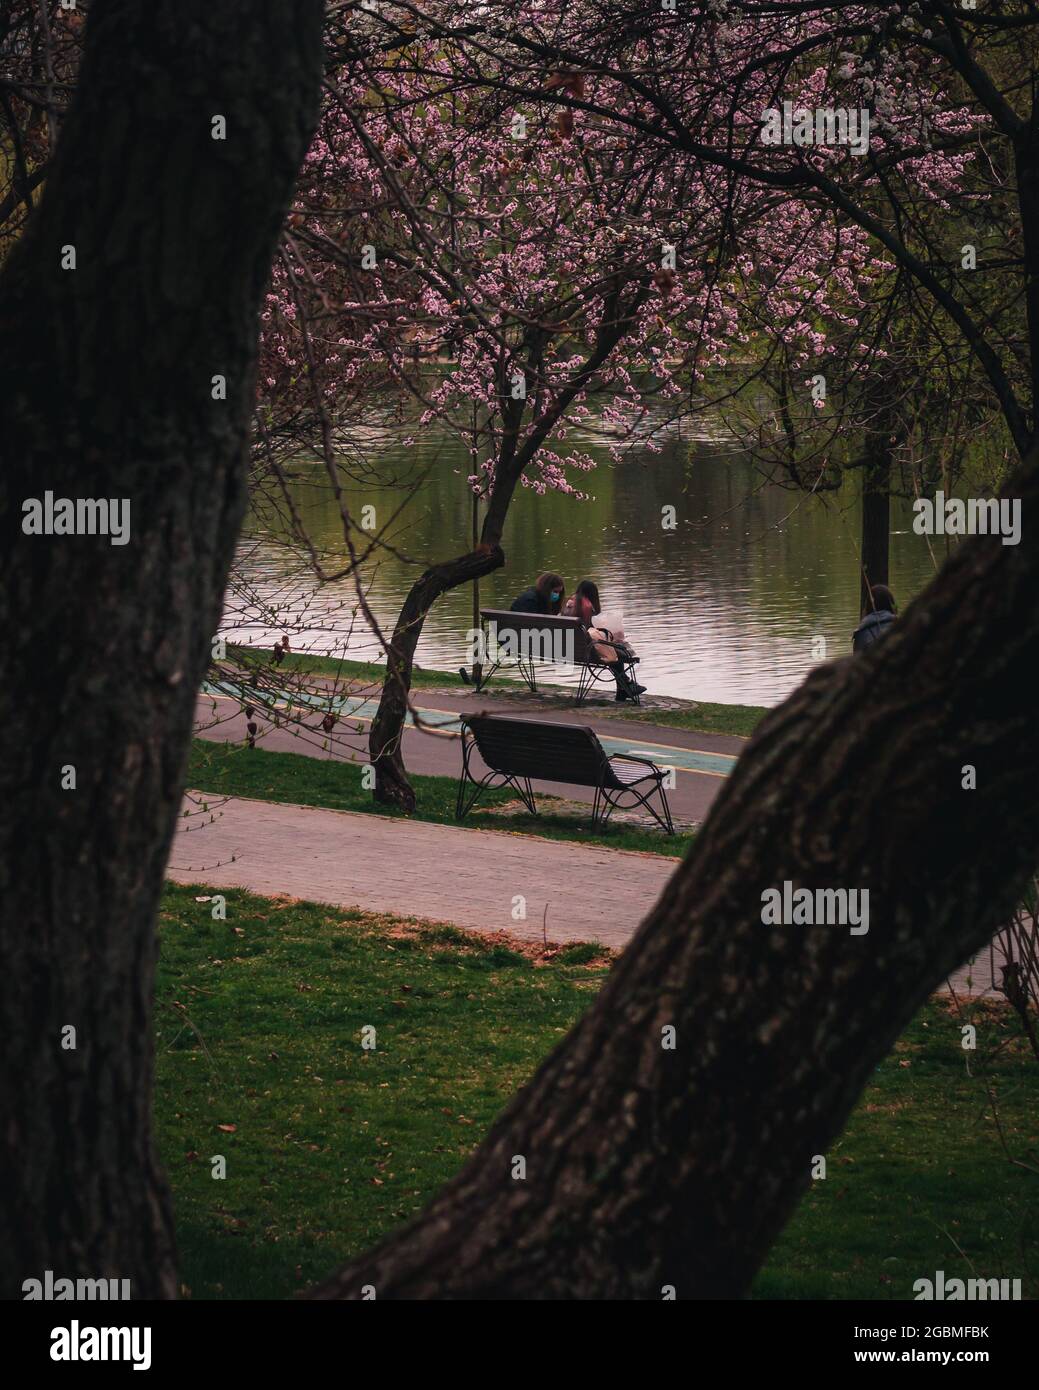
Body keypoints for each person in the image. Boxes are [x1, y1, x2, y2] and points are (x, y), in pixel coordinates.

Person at [565, 578, 646, 701]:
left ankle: (624, 687)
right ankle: (625, 686)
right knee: (619, 652)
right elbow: (592, 632)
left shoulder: (569, 603)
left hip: (568, 648)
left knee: (615, 651)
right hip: (587, 651)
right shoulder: (587, 606)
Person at [853, 583, 897, 653]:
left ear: (868, 606)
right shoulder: (903, 626)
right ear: (891, 605)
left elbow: (857, 661)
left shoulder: (860, 634)